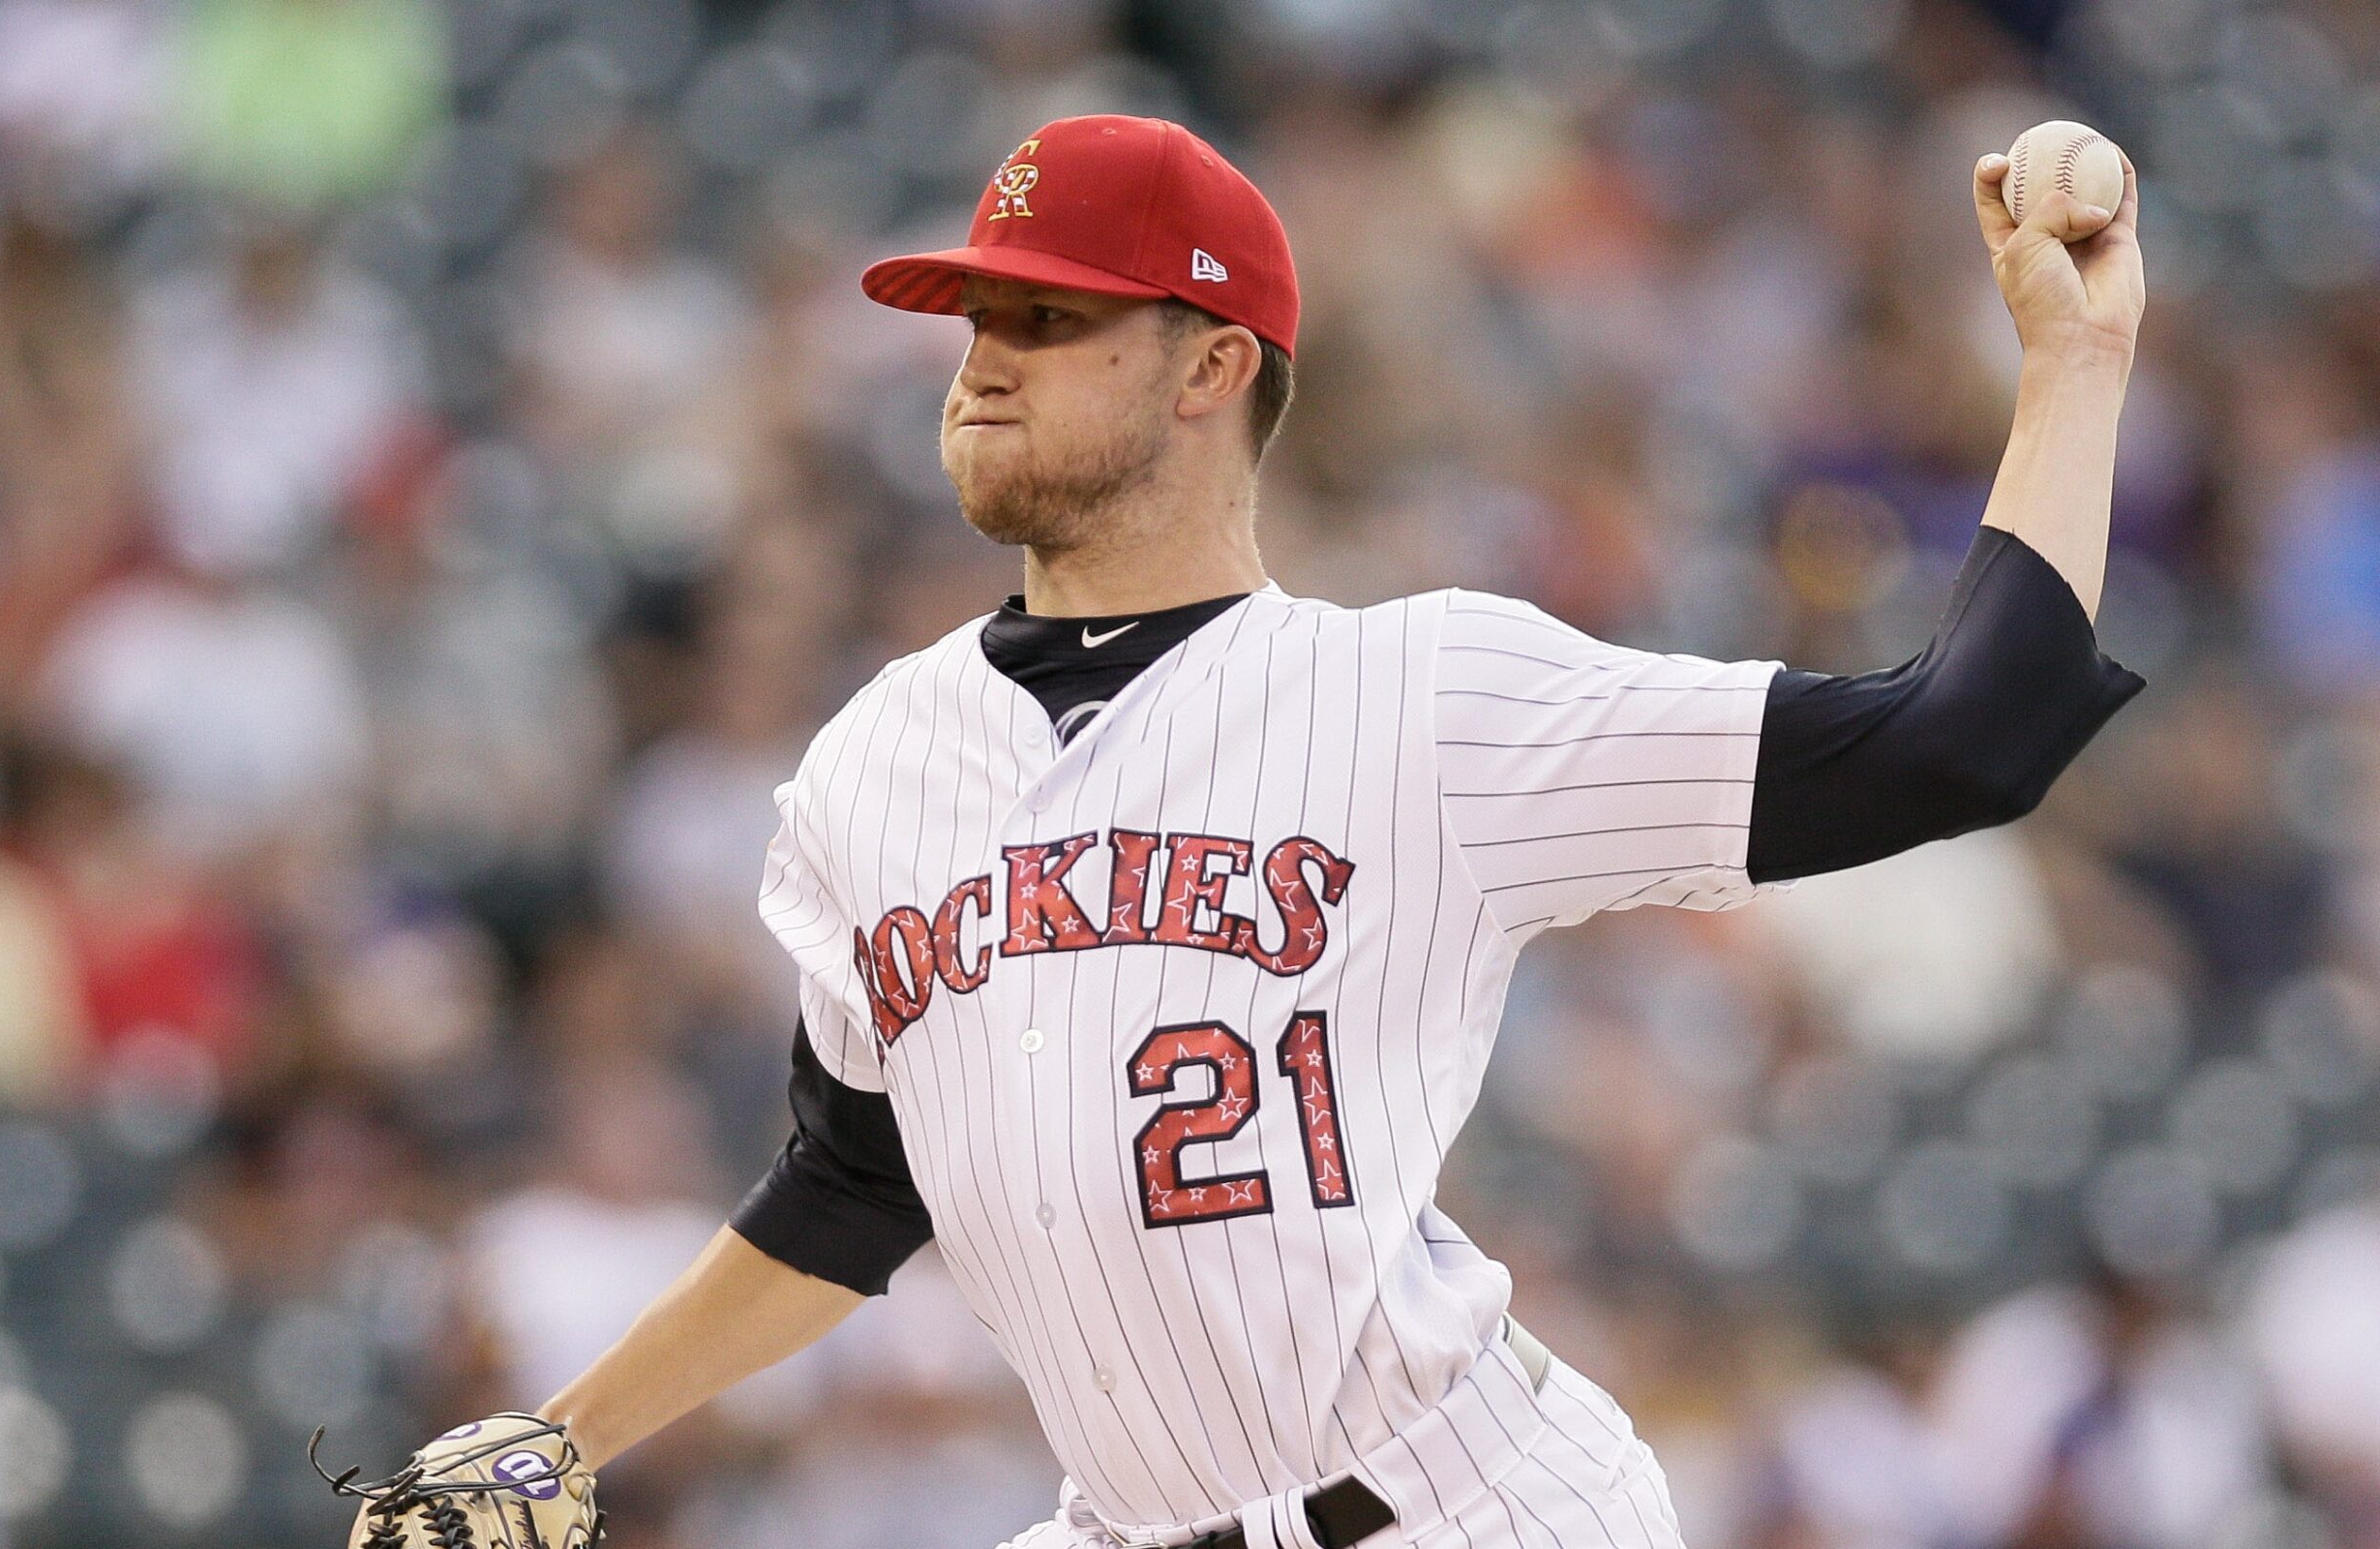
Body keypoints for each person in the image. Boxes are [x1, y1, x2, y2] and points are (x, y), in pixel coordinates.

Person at [355, 113, 2147, 1549]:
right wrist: (560, 1441)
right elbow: (852, 1182)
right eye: (978, 317)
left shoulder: (1424, 697)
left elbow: (1954, 744)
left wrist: (2075, 372)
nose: (983, 361)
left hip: (1458, 1507)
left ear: (1214, 366)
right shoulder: (872, 766)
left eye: (1049, 319)